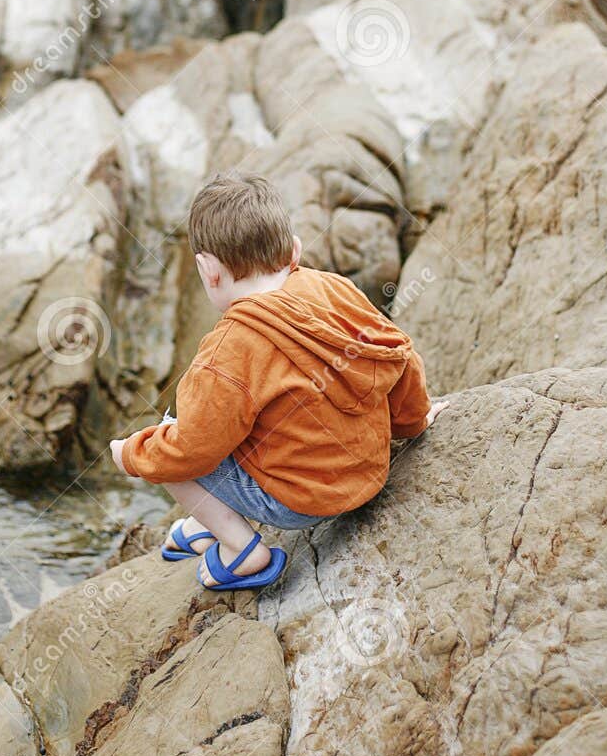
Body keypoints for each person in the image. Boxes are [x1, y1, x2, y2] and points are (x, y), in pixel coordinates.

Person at [110, 171, 447, 591]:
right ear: (294, 250)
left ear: (208, 270)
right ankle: (207, 524)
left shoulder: (228, 350)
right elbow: (398, 354)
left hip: (301, 504)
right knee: (253, 416)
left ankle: (240, 549)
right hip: (367, 473)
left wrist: (131, 454)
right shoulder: (336, 289)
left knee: (166, 441)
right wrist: (415, 421)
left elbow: (194, 450)